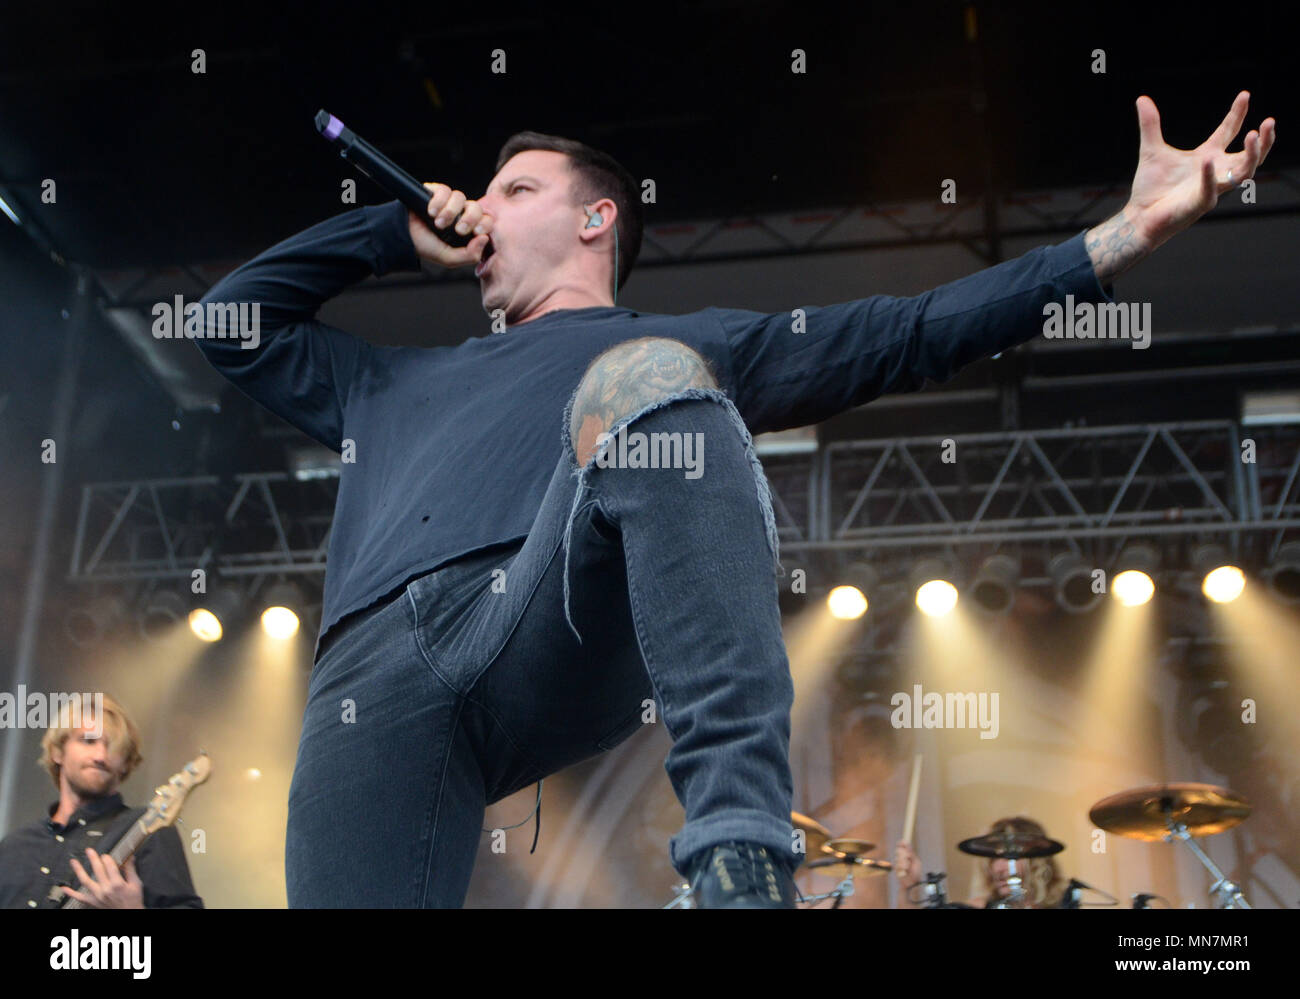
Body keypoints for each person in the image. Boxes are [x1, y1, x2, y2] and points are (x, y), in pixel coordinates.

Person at [193, 94, 1273, 908]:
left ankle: (737, 856)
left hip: (541, 606)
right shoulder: (388, 381)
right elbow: (226, 321)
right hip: (371, 681)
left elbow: (907, 328)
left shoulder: (674, 343)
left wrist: (1122, 236)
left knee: (653, 379)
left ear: (595, 220)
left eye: (516, 189)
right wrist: (386, 234)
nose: (484, 207)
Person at [0, 694, 203, 909]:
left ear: (126, 763)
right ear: (57, 752)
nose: (101, 756)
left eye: (114, 747)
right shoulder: (13, 845)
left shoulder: (149, 828)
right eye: (89, 741)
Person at [895, 816, 1066, 908]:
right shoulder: (979, 907)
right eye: (993, 858)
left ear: (1037, 861)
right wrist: (908, 885)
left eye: (1009, 857)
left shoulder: (1066, 904)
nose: (999, 868)